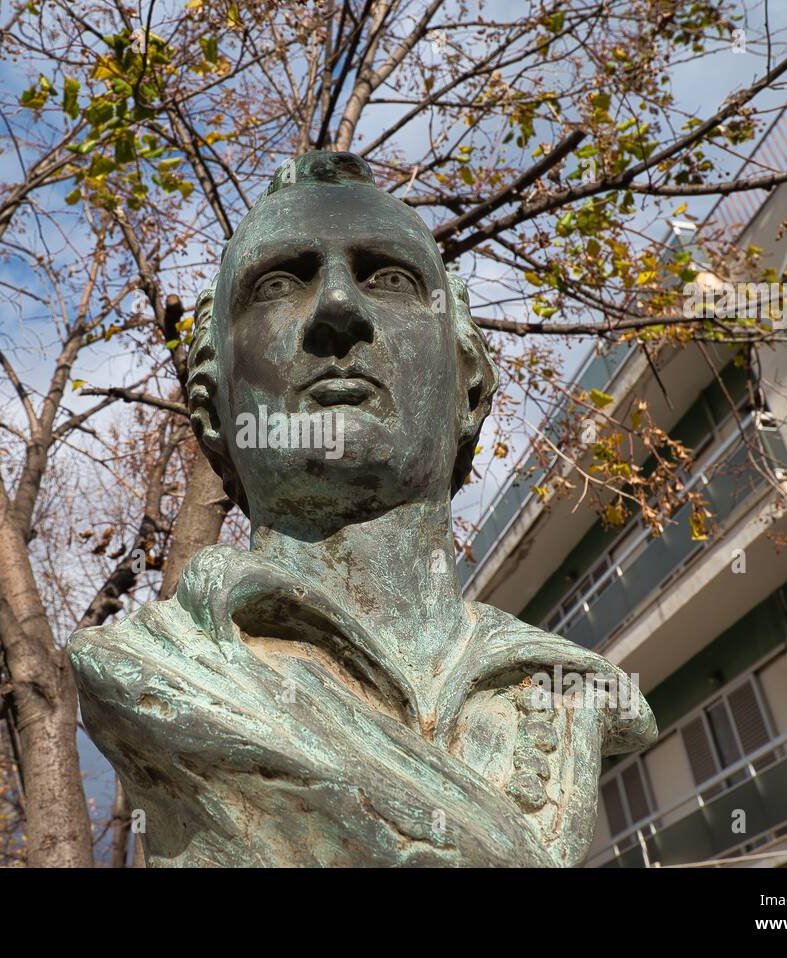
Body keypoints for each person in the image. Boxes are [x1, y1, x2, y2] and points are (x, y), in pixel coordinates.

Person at [69, 150, 656, 866]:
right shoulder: (158, 670)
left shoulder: (564, 692)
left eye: (391, 279)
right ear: (212, 407)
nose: (339, 308)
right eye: (279, 283)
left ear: (469, 385)